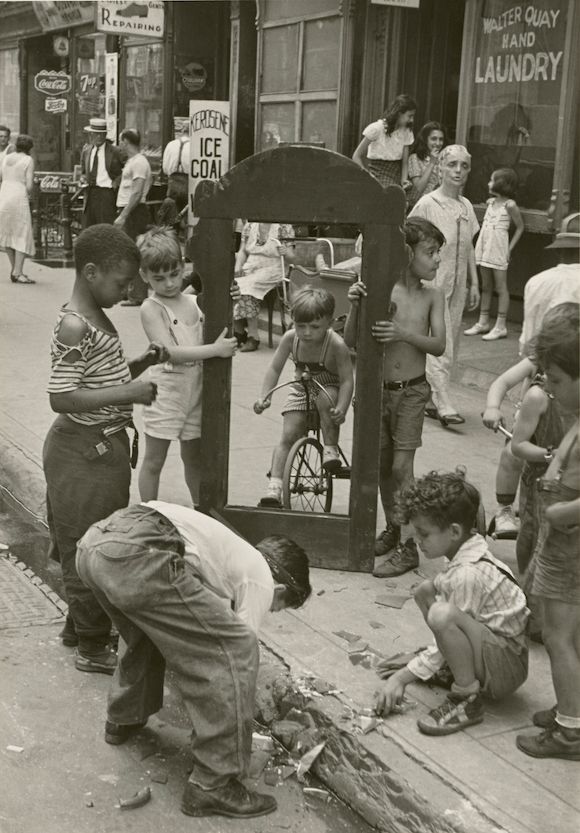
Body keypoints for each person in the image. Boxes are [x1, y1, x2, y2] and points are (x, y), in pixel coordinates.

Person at [75, 500, 312, 818]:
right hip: (138, 552)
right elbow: (236, 652)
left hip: (97, 544)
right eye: (279, 605)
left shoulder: (223, 549)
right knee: (238, 648)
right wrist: (243, 716)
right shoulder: (261, 578)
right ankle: (213, 786)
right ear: (280, 587)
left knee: (146, 632)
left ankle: (124, 718)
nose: (272, 609)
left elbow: (195, 626)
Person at [43, 224, 166, 673]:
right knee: (87, 549)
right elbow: (62, 397)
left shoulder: (94, 317)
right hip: (82, 453)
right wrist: (129, 394)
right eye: (121, 283)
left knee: (90, 540)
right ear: (91, 272)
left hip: (98, 450)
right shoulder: (75, 324)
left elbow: (97, 380)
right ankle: (93, 646)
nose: (127, 291)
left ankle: (81, 628)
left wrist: (140, 363)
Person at [374, 471, 529, 736]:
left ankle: (466, 698)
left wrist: (404, 677)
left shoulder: (467, 574)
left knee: (441, 615)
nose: (418, 541)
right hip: (491, 650)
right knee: (424, 591)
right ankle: (455, 669)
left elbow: (449, 621)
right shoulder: (463, 550)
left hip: (506, 668)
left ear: (454, 531)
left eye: (424, 534)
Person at [344, 218, 446, 576]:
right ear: (407, 254)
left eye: (438, 253)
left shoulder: (433, 296)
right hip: (377, 392)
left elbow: (439, 344)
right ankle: (394, 526)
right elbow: (351, 341)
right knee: (384, 468)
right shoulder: (381, 290)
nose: (436, 261)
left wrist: (403, 333)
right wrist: (356, 304)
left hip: (413, 392)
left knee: (403, 468)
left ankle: (409, 546)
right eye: (430, 252)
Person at [482, 213, 580, 537]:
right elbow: (519, 367)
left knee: (516, 454)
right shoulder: (542, 378)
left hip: (546, 375)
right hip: (547, 382)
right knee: (518, 450)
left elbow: (525, 342)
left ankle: (507, 511)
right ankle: (507, 510)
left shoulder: (536, 281)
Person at [515, 303, 580, 761]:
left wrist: (561, 514)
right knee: (568, 635)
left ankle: (571, 732)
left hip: (570, 543)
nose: (550, 392)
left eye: (556, 381)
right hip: (562, 542)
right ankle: (570, 709)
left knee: (557, 636)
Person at [137, 227, 237, 504]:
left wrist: (231, 295)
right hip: (166, 391)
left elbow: (220, 315)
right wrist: (215, 350)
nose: (169, 283)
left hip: (195, 390)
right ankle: (148, 510)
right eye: (159, 278)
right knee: (154, 459)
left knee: (194, 458)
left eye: (174, 274)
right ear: (144, 275)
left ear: (183, 267)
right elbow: (167, 352)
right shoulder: (151, 307)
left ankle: (200, 509)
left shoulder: (194, 302)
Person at [254, 287, 354, 507]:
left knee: (325, 400)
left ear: (329, 322)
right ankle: (275, 487)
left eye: (314, 326)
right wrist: (265, 397)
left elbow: (347, 380)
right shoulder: (291, 339)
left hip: (329, 386)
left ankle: (330, 449)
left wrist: (343, 409)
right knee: (289, 433)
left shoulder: (336, 345)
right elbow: (274, 368)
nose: (307, 332)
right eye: (301, 326)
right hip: (301, 388)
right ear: (293, 322)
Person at [409, 145, 480, 426]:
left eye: (464, 166)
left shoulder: (466, 206)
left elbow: (469, 247)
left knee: (453, 337)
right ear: (440, 168)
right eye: (452, 165)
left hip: (458, 281)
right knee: (442, 338)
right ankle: (443, 401)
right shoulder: (429, 203)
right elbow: (410, 235)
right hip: (435, 279)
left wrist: (475, 282)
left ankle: (429, 396)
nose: (458, 171)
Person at [511, 364, 567, 639]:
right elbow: (518, 445)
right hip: (540, 480)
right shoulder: (539, 396)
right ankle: (530, 609)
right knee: (534, 540)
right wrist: (553, 456)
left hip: (570, 484)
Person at [466, 167, 524, 341]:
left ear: (502, 183)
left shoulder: (511, 205)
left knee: (501, 287)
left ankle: (500, 326)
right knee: (486, 285)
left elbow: (520, 227)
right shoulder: (490, 202)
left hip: (498, 248)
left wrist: (509, 249)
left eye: (492, 180)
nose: (489, 183)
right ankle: (483, 321)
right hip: (485, 247)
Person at [233, 221, 294, 352]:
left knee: (248, 286)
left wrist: (285, 252)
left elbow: (292, 257)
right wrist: (238, 267)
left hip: (274, 268)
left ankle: (253, 336)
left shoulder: (283, 227)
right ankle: (238, 332)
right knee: (233, 284)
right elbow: (242, 250)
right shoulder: (249, 225)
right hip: (251, 266)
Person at [115, 128, 153, 306]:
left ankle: (137, 294)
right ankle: (129, 290)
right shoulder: (133, 161)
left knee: (134, 252)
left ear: (125, 142)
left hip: (134, 212)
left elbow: (137, 192)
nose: (120, 146)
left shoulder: (139, 162)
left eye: (121, 142)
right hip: (129, 210)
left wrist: (124, 215)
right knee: (126, 252)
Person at [352, 93, 416, 189]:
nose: (412, 120)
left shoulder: (406, 131)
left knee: (414, 195)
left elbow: (405, 161)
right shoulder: (377, 128)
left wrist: (404, 180)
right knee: (392, 194)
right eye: (409, 116)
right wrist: (367, 177)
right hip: (378, 172)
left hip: (397, 172)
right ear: (399, 113)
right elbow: (356, 156)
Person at [0, 133, 35, 284]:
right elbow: (29, 185)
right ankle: (18, 272)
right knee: (22, 232)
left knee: (7, 233)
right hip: (19, 197)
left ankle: (14, 269)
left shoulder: (6, 158)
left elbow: (2, 176)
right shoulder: (28, 160)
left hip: (5, 194)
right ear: (29, 148)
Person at [80, 117, 123, 227]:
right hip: (90, 193)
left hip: (106, 194)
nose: (99, 137)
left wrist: (117, 181)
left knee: (106, 226)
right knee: (89, 227)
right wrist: (83, 179)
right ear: (90, 135)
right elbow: (83, 172)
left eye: (102, 134)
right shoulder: (86, 151)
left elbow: (128, 167)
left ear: (105, 135)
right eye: (96, 134)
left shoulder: (115, 151)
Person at [407, 121, 446, 209]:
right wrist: (432, 162)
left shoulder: (445, 158)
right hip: (421, 206)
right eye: (434, 139)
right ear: (425, 139)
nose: (438, 143)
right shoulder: (415, 158)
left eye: (441, 139)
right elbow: (418, 189)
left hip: (440, 206)